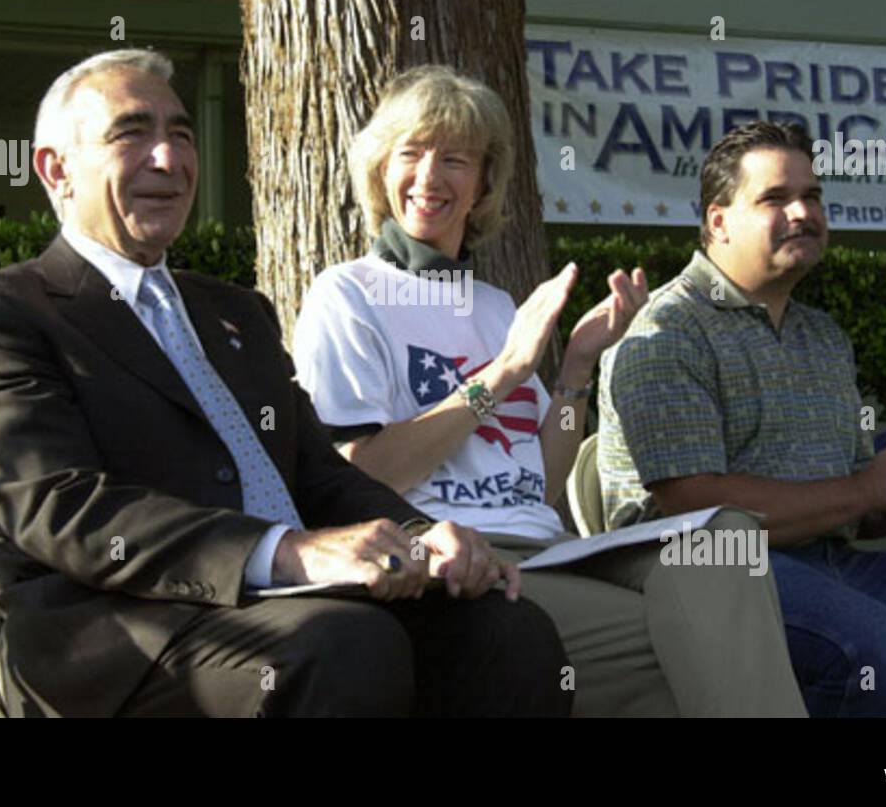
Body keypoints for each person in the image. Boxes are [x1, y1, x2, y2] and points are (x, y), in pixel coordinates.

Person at [0, 49, 572, 718]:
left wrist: (421, 532)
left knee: (506, 632)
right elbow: (59, 506)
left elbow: (317, 472)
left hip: (298, 607)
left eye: (181, 134)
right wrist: (287, 552)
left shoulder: (233, 312)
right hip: (123, 635)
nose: (169, 158)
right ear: (57, 170)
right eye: (132, 132)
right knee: (347, 647)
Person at [293, 65, 807, 717]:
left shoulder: (493, 304)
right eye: (411, 153)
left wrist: (575, 371)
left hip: (552, 548)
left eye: (454, 158)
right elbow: (363, 472)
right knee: (694, 647)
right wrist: (504, 370)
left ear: (482, 183)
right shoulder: (346, 293)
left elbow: (538, 478)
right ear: (380, 171)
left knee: (722, 541)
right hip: (456, 554)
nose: (429, 177)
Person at [598, 119, 886, 717]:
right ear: (718, 221)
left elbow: (855, 509)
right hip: (710, 573)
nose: (803, 212)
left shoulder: (822, 337)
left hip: (829, 565)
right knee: (879, 656)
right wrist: (867, 487)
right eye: (775, 198)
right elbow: (695, 507)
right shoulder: (669, 331)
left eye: (812, 195)